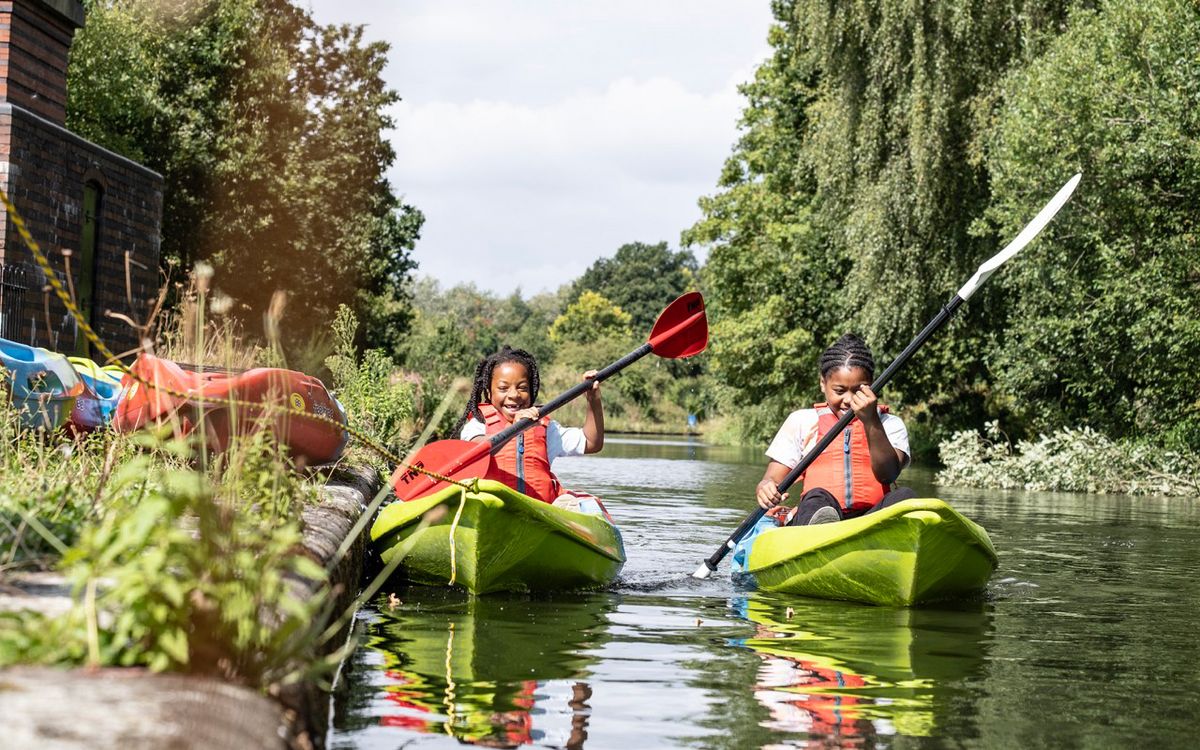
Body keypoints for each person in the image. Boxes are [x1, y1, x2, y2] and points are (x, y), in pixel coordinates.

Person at [755, 333, 915, 525]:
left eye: (858, 390)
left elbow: (888, 475)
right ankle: (821, 532)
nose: (848, 400)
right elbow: (772, 478)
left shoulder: (889, 424)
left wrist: (871, 421)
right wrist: (766, 487)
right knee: (816, 498)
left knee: (905, 496)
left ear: (872, 385)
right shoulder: (801, 421)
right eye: (839, 391)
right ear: (823, 384)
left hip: (871, 521)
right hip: (820, 516)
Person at [453, 346, 604, 508]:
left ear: (531, 392)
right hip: (491, 509)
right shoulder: (478, 424)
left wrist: (593, 400)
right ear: (489, 393)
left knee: (576, 504)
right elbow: (478, 452)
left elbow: (591, 442)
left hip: (538, 512)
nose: (514, 395)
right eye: (503, 388)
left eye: (522, 388)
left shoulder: (545, 428)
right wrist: (515, 428)